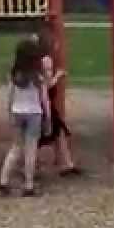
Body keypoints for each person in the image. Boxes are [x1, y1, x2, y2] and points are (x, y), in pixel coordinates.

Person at [0, 38, 49, 197]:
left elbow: (10, 96)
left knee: (15, 148)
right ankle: (28, 186)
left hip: (16, 111)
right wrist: (48, 116)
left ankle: (3, 182)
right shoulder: (38, 76)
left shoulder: (14, 75)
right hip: (34, 113)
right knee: (31, 150)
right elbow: (44, 99)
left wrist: (9, 112)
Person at [36, 29, 81, 177]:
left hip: (45, 102)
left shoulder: (40, 59)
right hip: (45, 102)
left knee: (57, 133)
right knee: (45, 135)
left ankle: (66, 164)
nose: (57, 45)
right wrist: (58, 76)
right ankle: (65, 164)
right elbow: (46, 84)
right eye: (55, 43)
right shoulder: (46, 60)